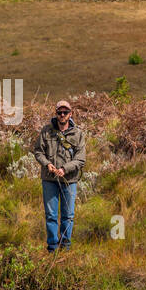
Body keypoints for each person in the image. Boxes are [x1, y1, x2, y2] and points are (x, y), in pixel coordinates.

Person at [32, 99, 86, 253]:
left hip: (70, 180)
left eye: (65, 112)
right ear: (56, 114)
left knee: (68, 216)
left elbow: (81, 159)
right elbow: (38, 151)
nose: (62, 115)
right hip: (49, 180)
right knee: (51, 216)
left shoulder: (78, 134)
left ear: (71, 114)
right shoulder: (46, 131)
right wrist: (47, 164)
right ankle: (52, 249)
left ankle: (66, 248)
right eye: (59, 112)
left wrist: (65, 169)